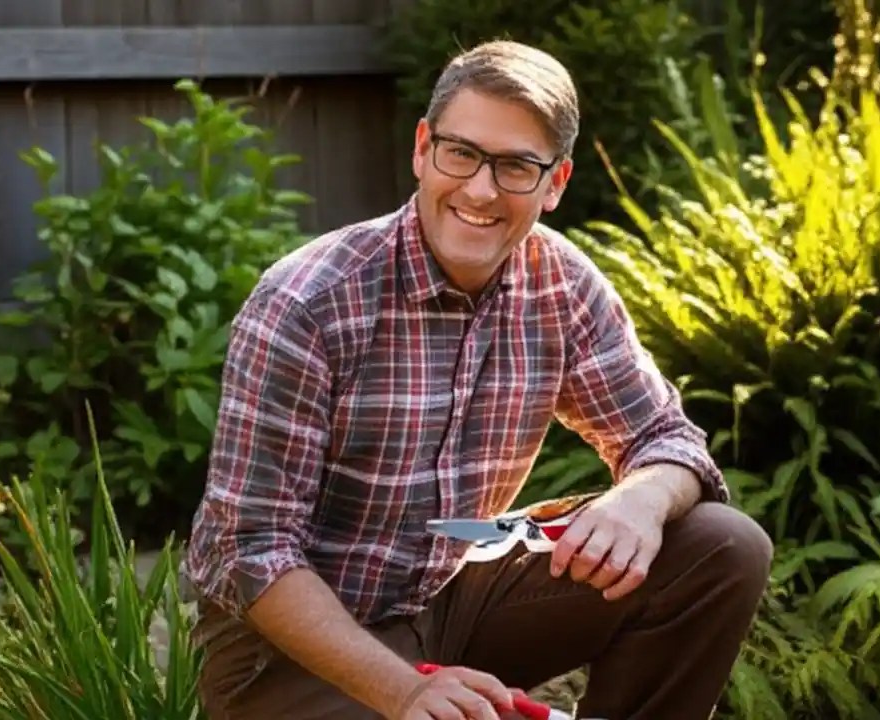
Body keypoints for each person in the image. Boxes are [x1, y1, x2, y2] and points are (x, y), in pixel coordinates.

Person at [183, 39, 774, 720]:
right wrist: (406, 690)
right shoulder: (308, 302)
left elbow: (668, 437)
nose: (480, 190)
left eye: (517, 166)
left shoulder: (563, 286)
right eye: (460, 153)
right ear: (422, 148)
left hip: (448, 593)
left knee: (722, 546)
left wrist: (640, 497)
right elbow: (250, 550)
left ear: (556, 182)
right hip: (287, 651)